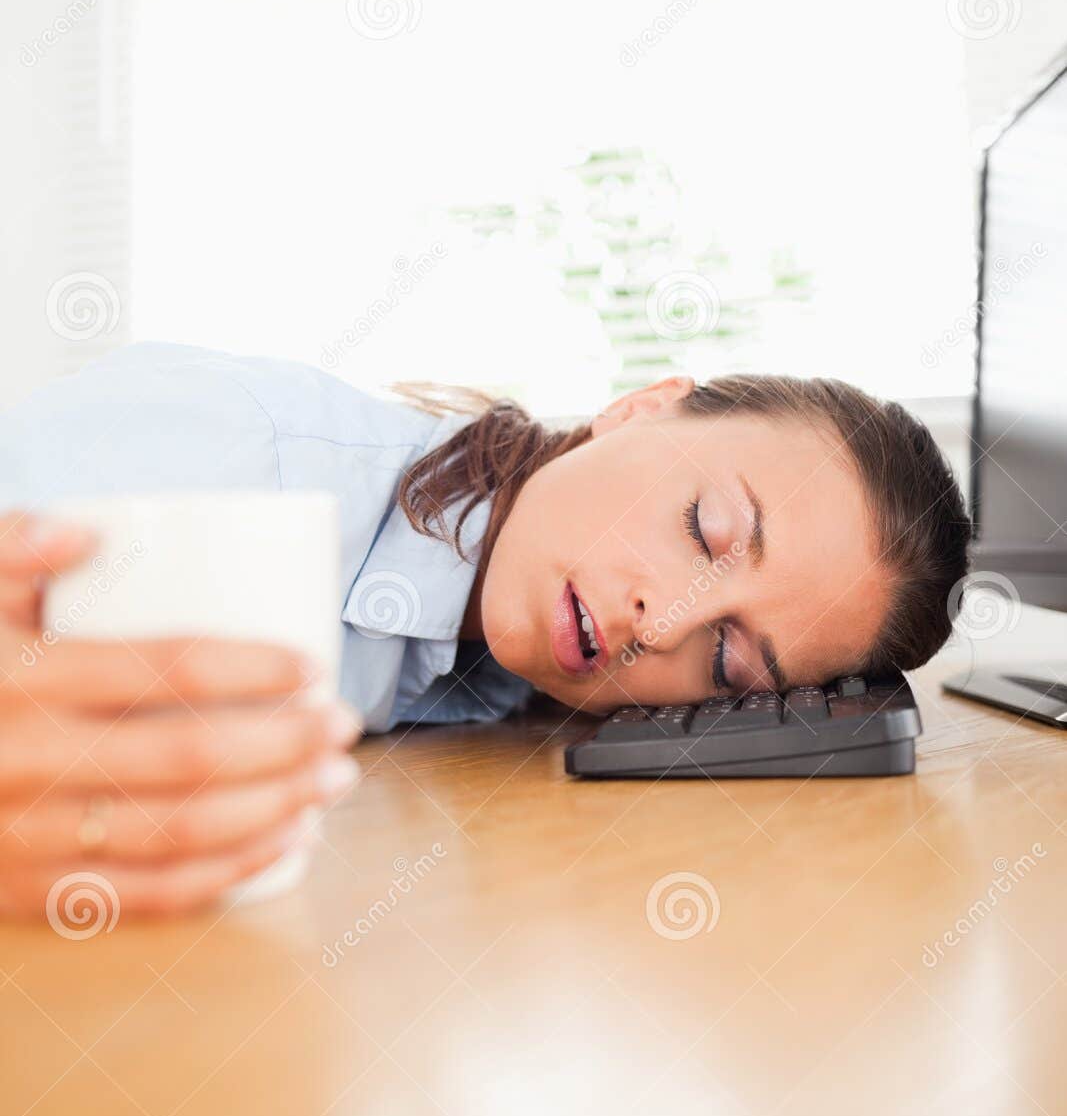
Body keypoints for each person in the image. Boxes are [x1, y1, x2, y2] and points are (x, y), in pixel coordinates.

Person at [0, 342, 970, 917]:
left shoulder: (499, 673)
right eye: (700, 530)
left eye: (724, 657)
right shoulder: (234, 449)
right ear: (637, 411)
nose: (659, 624)